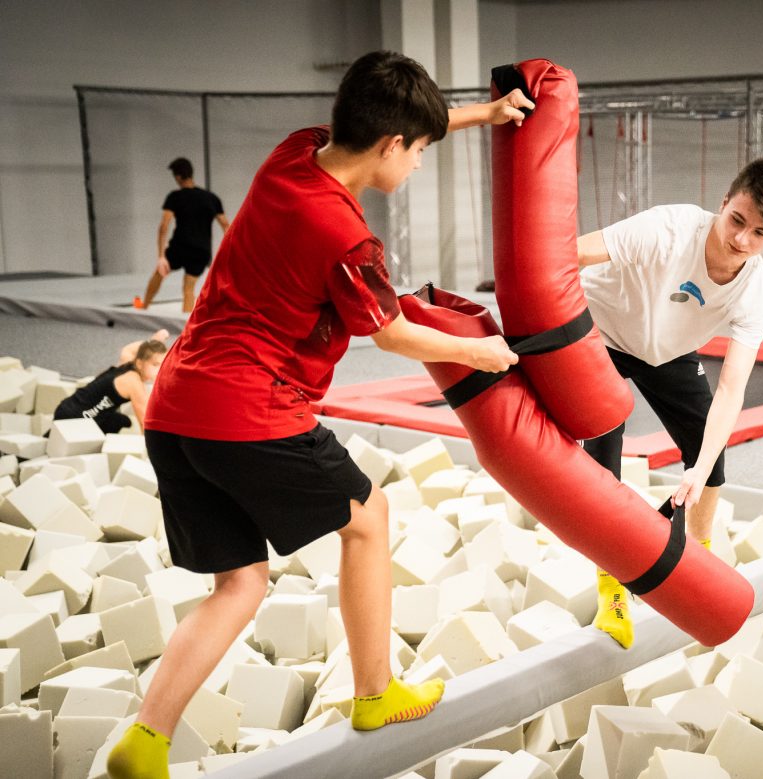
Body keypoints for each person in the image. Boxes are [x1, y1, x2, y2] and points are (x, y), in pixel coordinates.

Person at [105, 51, 530, 779]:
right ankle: (374, 692)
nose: (421, 162)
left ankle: (146, 739)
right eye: (421, 152)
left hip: (174, 409)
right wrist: (482, 351)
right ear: (394, 146)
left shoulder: (292, 154)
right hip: (249, 408)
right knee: (369, 518)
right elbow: (389, 331)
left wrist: (482, 116)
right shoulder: (347, 238)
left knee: (240, 582)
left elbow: (390, 122)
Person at [577, 158, 763, 648]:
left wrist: (698, 471)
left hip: (668, 350)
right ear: (723, 204)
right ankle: (610, 587)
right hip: (600, 334)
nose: (741, 239)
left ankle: (695, 560)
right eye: (737, 221)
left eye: (759, 233)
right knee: (602, 461)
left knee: (711, 451)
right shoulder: (667, 229)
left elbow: (731, 389)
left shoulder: (756, 291)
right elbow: (567, 255)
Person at [133, 157, 231, 312]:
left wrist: (161, 257)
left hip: (179, 248)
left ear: (178, 176)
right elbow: (226, 226)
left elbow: (163, 226)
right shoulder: (212, 198)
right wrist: (226, 254)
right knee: (189, 289)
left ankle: (143, 307)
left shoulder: (175, 197)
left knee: (159, 274)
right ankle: (186, 328)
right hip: (201, 251)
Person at [53, 331, 168, 434]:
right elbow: (145, 423)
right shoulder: (133, 383)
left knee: (122, 421)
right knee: (118, 424)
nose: (160, 370)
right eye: (155, 365)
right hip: (74, 419)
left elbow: (129, 349)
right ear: (139, 363)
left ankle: (54, 436)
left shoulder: (128, 360)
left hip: (65, 408)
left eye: (162, 364)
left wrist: (153, 342)